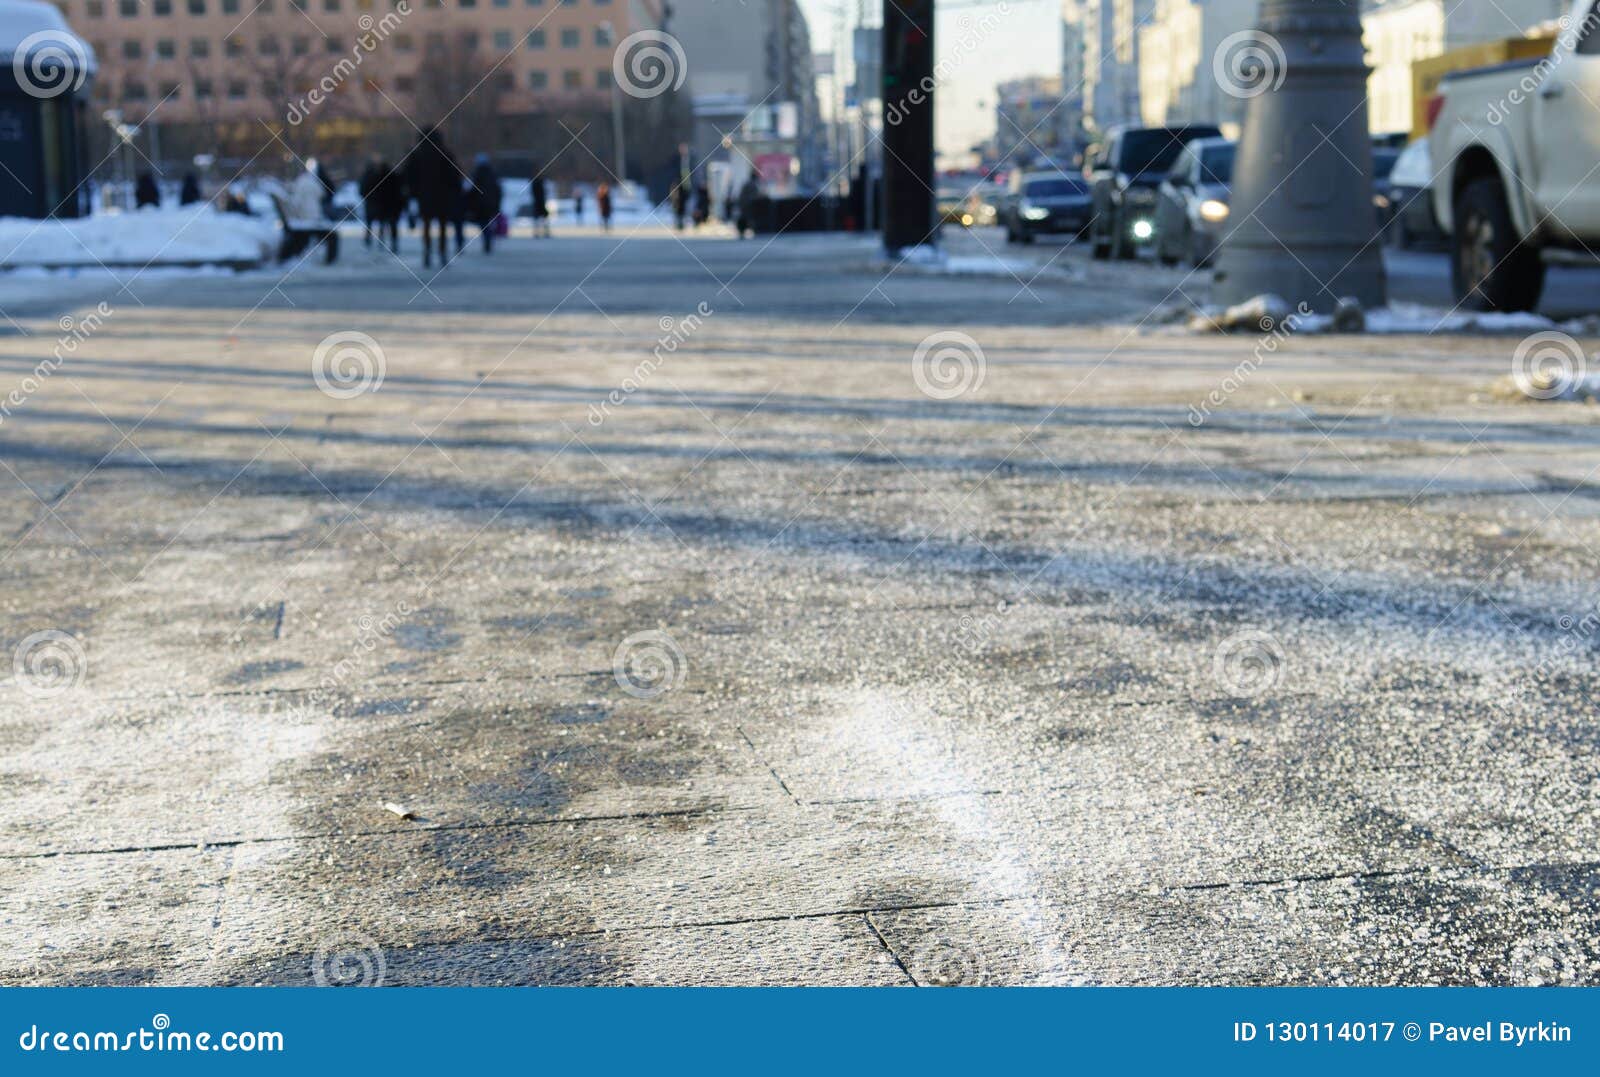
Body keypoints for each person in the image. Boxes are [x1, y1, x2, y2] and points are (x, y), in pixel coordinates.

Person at [404, 126, 460, 269]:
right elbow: (455, 175)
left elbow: (409, 176)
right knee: (442, 226)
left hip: (425, 196)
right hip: (443, 196)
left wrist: (413, 193)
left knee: (426, 225)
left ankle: (427, 253)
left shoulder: (417, 155)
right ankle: (442, 253)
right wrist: (454, 192)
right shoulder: (445, 154)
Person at [469, 153, 502, 254]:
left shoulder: (477, 174)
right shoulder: (493, 173)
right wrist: (497, 203)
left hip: (480, 204)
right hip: (491, 203)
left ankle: (487, 240)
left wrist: (470, 202)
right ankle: (488, 240)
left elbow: (473, 190)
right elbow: (498, 190)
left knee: (483, 223)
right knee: (486, 223)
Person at [372, 159, 405, 253]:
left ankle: (381, 242)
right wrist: (401, 205)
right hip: (393, 206)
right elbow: (400, 192)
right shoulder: (395, 177)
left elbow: (375, 193)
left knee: (382, 225)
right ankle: (394, 244)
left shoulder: (378, 177)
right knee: (393, 226)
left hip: (382, 206)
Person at [736, 174, 762, 239]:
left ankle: (742, 231)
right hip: (749, 205)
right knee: (749, 219)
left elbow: (741, 195)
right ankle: (752, 230)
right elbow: (755, 196)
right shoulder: (753, 185)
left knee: (744, 218)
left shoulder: (746, 184)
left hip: (743, 204)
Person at [530, 171, 551, 238]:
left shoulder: (534, 183)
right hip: (540, 203)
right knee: (543, 218)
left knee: (538, 219)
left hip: (537, 203)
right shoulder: (539, 183)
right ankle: (544, 232)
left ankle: (538, 232)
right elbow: (543, 193)